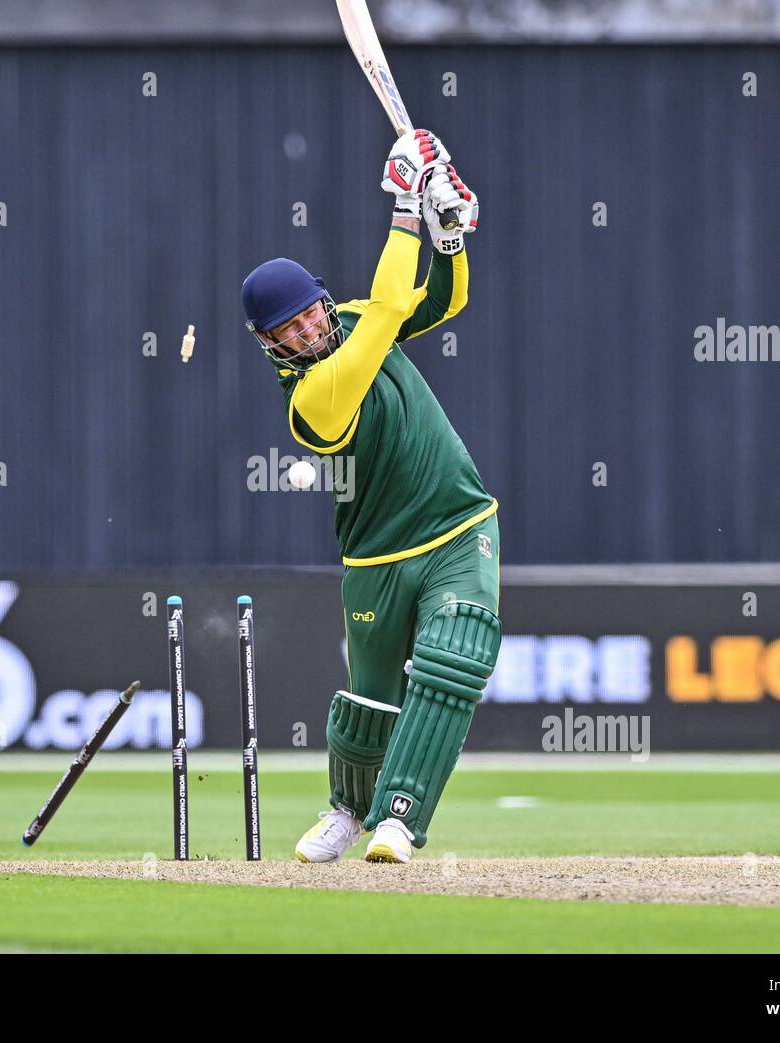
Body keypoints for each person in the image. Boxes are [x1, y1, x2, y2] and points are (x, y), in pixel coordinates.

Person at [241, 130, 501, 863]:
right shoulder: (312, 401)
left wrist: (448, 237)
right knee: (370, 699)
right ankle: (348, 813)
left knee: (455, 655)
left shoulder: (354, 319)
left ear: (322, 302)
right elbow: (389, 306)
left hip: (456, 520)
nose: (307, 329)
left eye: (308, 313)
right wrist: (404, 204)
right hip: (376, 551)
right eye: (287, 328)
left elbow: (440, 302)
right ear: (272, 345)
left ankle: (399, 818)